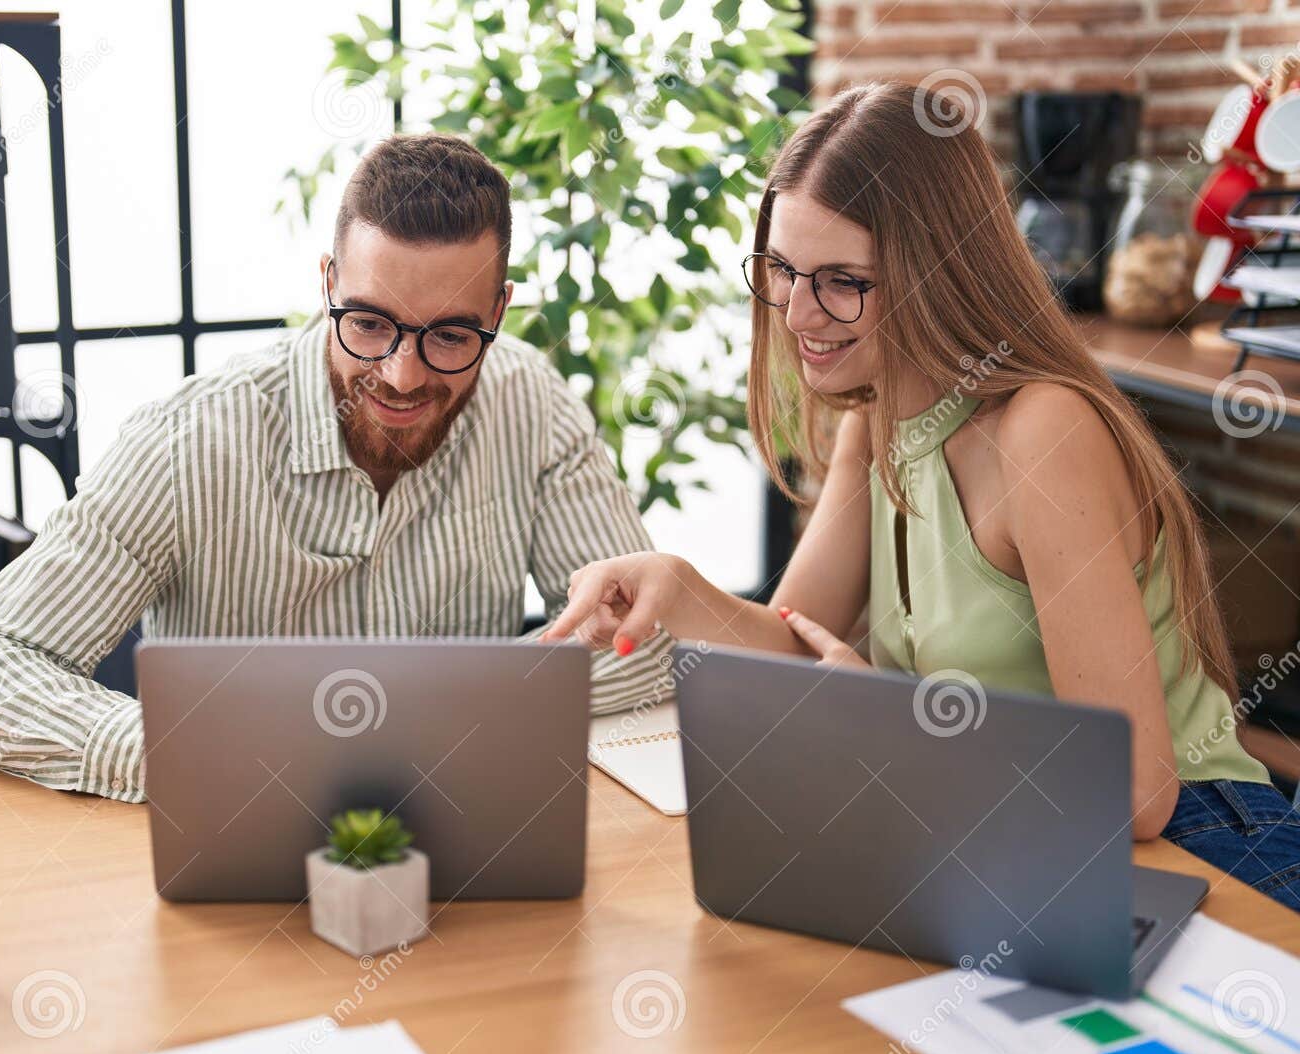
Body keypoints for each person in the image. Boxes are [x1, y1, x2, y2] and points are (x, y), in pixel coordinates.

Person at [542, 81, 1300, 912]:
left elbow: (1132, 794)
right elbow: (804, 650)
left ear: (938, 268)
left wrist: (888, 724)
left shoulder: (1042, 430)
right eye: (784, 270)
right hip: (1012, 832)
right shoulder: (880, 422)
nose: (798, 312)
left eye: (842, 281)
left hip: (1205, 846)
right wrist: (678, 589)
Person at [0, 133, 670, 802]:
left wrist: (455, 717)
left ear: (498, 311)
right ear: (329, 284)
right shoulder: (192, 440)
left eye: (449, 336)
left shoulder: (530, 403)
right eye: (369, 324)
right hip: (236, 839)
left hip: (458, 845)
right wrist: (193, 755)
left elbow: (645, 651)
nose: (403, 376)